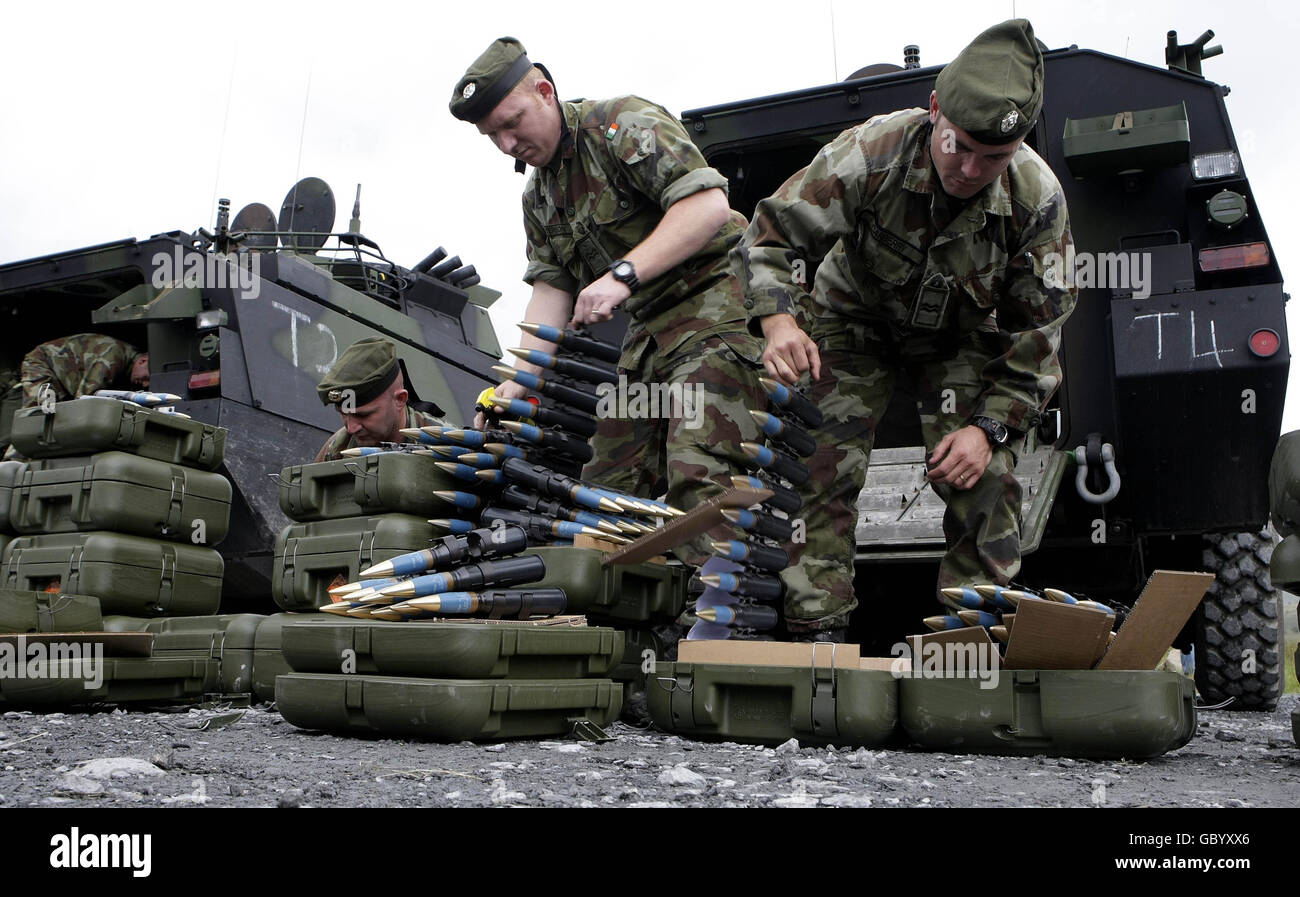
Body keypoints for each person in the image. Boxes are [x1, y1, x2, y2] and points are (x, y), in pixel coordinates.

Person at [735, 19, 1077, 639]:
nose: (970, 168)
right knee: (815, 468)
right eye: (958, 145)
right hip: (851, 320)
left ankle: (966, 649)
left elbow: (1039, 340)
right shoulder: (870, 153)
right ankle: (818, 640)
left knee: (988, 480)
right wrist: (779, 318)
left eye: (992, 157)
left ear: (1020, 145)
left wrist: (986, 427)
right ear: (935, 109)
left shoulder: (1037, 200)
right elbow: (770, 234)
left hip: (959, 338)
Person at [450, 37, 768, 568]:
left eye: (512, 123)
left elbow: (709, 205)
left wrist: (622, 274)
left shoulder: (621, 125)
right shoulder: (539, 196)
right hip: (650, 329)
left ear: (545, 92)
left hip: (718, 299)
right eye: (492, 136)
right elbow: (551, 290)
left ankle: (711, 625)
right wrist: (516, 382)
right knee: (605, 484)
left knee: (698, 466)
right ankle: (626, 620)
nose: (506, 144)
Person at [313, 337, 444, 462]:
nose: (351, 429)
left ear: (400, 400)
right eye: (343, 413)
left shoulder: (444, 445)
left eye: (362, 415)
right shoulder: (338, 448)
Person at [19, 333, 148, 408]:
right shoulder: (112, 358)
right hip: (43, 363)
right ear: (142, 361)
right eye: (147, 378)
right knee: (41, 412)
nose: (145, 384)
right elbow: (84, 399)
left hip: (63, 378)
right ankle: (13, 456)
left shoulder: (127, 362)